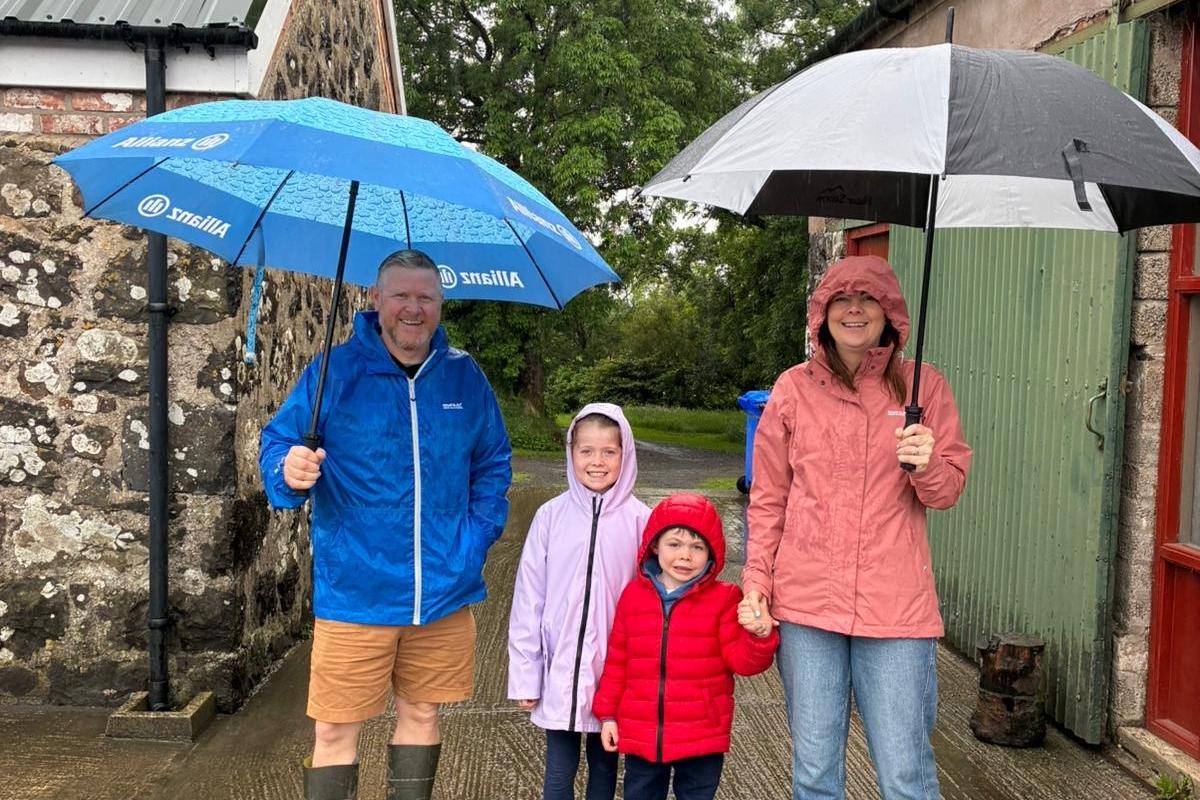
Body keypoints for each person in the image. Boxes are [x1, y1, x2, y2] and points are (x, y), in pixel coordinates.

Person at [259, 249, 512, 800]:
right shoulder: (333, 372)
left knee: (422, 712)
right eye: (401, 295)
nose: (413, 309)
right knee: (334, 728)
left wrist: (473, 542)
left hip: (442, 591)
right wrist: (288, 469)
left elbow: (493, 463)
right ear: (376, 300)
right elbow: (279, 442)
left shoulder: (465, 378)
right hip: (356, 593)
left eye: (425, 297)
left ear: (441, 305)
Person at [741, 254, 972, 800]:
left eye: (868, 298)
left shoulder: (924, 387)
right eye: (841, 299)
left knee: (906, 776)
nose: (854, 309)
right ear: (821, 313)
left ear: (889, 312)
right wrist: (757, 582)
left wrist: (927, 464)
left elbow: (947, 492)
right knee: (815, 774)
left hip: (895, 610)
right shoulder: (793, 389)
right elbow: (768, 499)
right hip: (806, 606)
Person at [592, 493, 779, 800]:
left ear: (712, 553)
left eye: (697, 547)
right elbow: (618, 662)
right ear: (654, 545)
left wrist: (759, 636)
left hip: (702, 735)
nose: (685, 556)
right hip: (643, 734)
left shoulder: (725, 598)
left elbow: (744, 663)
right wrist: (609, 715)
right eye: (674, 544)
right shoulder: (633, 596)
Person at [507, 404, 650, 800]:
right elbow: (528, 599)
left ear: (626, 453)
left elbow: (652, 606)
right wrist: (525, 673)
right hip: (560, 670)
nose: (597, 462)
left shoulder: (642, 522)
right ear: (571, 453)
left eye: (609, 451)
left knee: (604, 771)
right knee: (557, 775)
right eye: (586, 450)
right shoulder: (550, 517)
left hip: (614, 674)